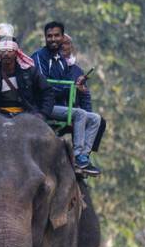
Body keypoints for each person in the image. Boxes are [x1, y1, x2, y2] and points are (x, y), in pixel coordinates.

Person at [33, 29, 102, 175]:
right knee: (80, 114)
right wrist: (71, 87)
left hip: (70, 110)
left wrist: (81, 89)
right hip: (51, 107)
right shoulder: (49, 61)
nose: (64, 46)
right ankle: (78, 156)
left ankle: (83, 156)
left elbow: (84, 96)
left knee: (96, 119)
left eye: (66, 43)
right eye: (61, 43)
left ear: (71, 46)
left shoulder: (75, 69)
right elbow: (50, 87)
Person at [0, 38, 53, 122]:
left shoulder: (29, 72)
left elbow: (47, 92)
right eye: (3, 50)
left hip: (27, 116)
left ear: (16, 53)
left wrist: (43, 114)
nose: (6, 54)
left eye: (10, 50)